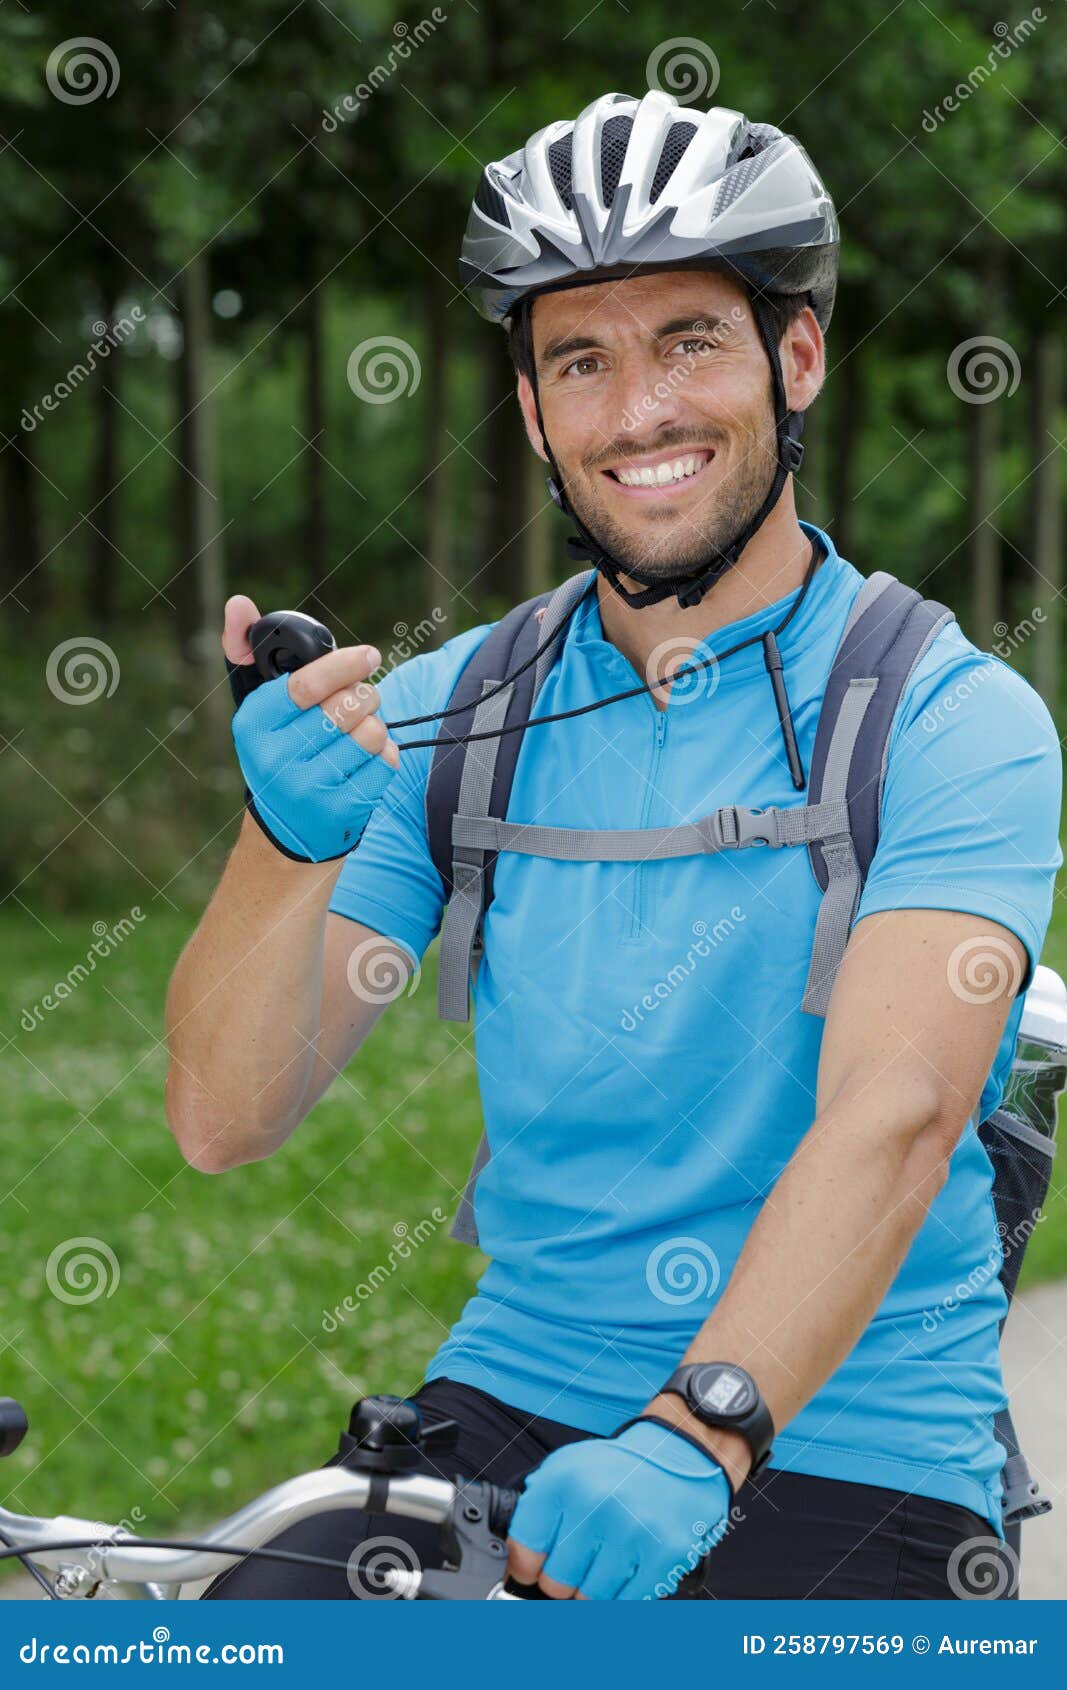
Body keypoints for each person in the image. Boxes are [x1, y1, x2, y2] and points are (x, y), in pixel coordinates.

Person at [165, 90, 1062, 1600]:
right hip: (514, 1393)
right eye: (582, 358)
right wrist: (282, 841)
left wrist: (696, 1431)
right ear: (531, 409)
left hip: (853, 1438)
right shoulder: (455, 715)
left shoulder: (950, 718)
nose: (639, 410)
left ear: (797, 358)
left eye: (690, 343)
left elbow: (896, 1117)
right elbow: (223, 1116)